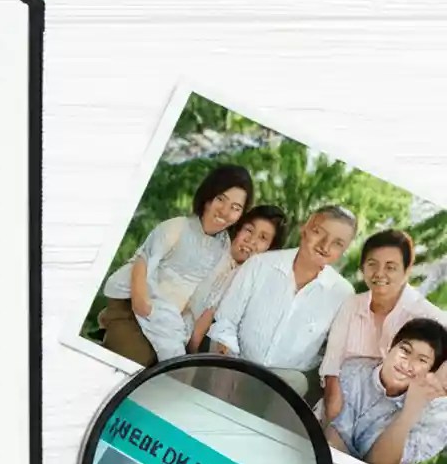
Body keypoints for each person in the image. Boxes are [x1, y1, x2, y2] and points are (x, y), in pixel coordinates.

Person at [99, 164, 254, 365]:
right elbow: (143, 259)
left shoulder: (223, 250)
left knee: (168, 371)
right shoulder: (178, 226)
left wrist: (190, 344)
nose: (225, 211)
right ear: (208, 197)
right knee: (138, 363)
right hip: (133, 305)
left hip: (167, 323)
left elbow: (209, 300)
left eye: (235, 208)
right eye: (221, 199)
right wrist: (142, 303)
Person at [207, 204, 358, 402]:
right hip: (237, 363)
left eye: (338, 243)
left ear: (345, 249)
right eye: (319, 232)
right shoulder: (260, 265)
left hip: (287, 383)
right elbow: (226, 321)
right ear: (305, 228)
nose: (325, 245)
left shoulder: (343, 294)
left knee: (295, 385)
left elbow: (333, 355)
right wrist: (231, 365)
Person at [318, 229, 447, 422]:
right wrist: (333, 410)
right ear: (363, 268)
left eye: (390, 267)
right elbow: (332, 365)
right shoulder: (352, 304)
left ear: (407, 269)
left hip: (391, 419)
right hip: (338, 404)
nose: (379, 273)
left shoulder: (430, 318)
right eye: (372, 264)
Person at [327, 317, 447, 464]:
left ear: (431, 372)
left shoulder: (431, 415)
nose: (407, 364)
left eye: (422, 360)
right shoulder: (352, 372)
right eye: (405, 351)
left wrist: (409, 413)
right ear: (391, 347)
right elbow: (332, 433)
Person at [184, 204, 288, 353]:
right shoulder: (213, 246)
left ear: (269, 251)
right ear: (239, 229)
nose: (251, 240)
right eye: (249, 230)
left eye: (263, 238)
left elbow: (206, 319)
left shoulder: (247, 281)